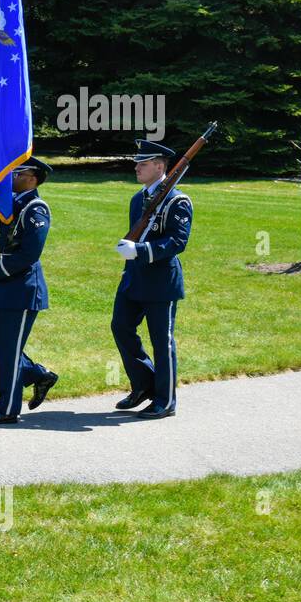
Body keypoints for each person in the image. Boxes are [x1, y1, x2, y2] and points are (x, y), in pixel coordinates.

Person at [0, 156, 59, 424]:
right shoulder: (7, 201)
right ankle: (37, 374)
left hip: (21, 288)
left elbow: (30, 253)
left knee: (8, 349)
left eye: (15, 172)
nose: (11, 177)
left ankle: (7, 408)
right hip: (2, 286)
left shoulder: (35, 209)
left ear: (32, 177)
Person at [111, 139, 193, 419]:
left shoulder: (177, 201)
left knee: (162, 340)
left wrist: (141, 251)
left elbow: (177, 242)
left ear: (160, 166)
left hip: (161, 282)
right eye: (137, 163)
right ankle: (144, 385)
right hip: (134, 279)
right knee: (121, 328)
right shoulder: (138, 198)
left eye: (143, 164)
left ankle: (166, 399)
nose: (137, 167)